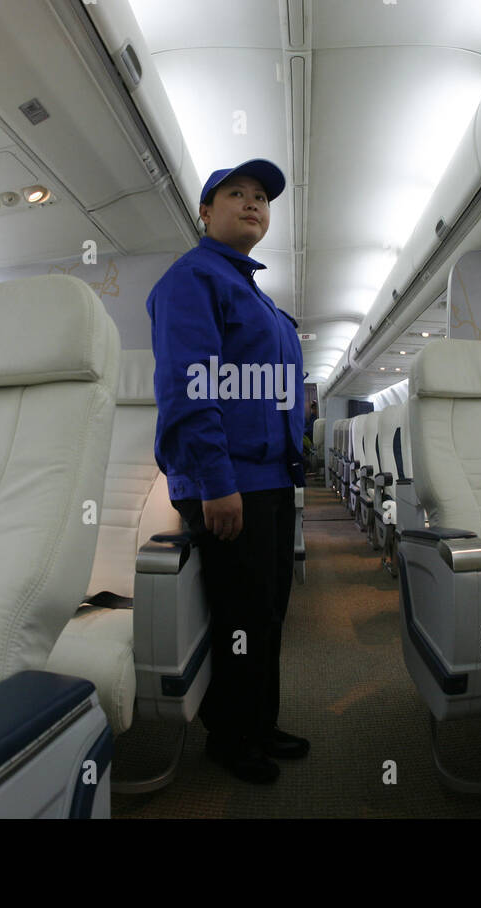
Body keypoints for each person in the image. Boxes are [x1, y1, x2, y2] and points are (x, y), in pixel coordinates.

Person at [146, 158, 307, 784]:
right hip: (228, 484)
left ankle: (260, 723)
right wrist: (216, 481)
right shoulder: (193, 280)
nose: (253, 203)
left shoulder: (251, 290)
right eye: (236, 193)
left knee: (266, 614)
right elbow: (190, 388)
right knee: (239, 617)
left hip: (265, 481)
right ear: (205, 213)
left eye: (262, 197)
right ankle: (229, 736)